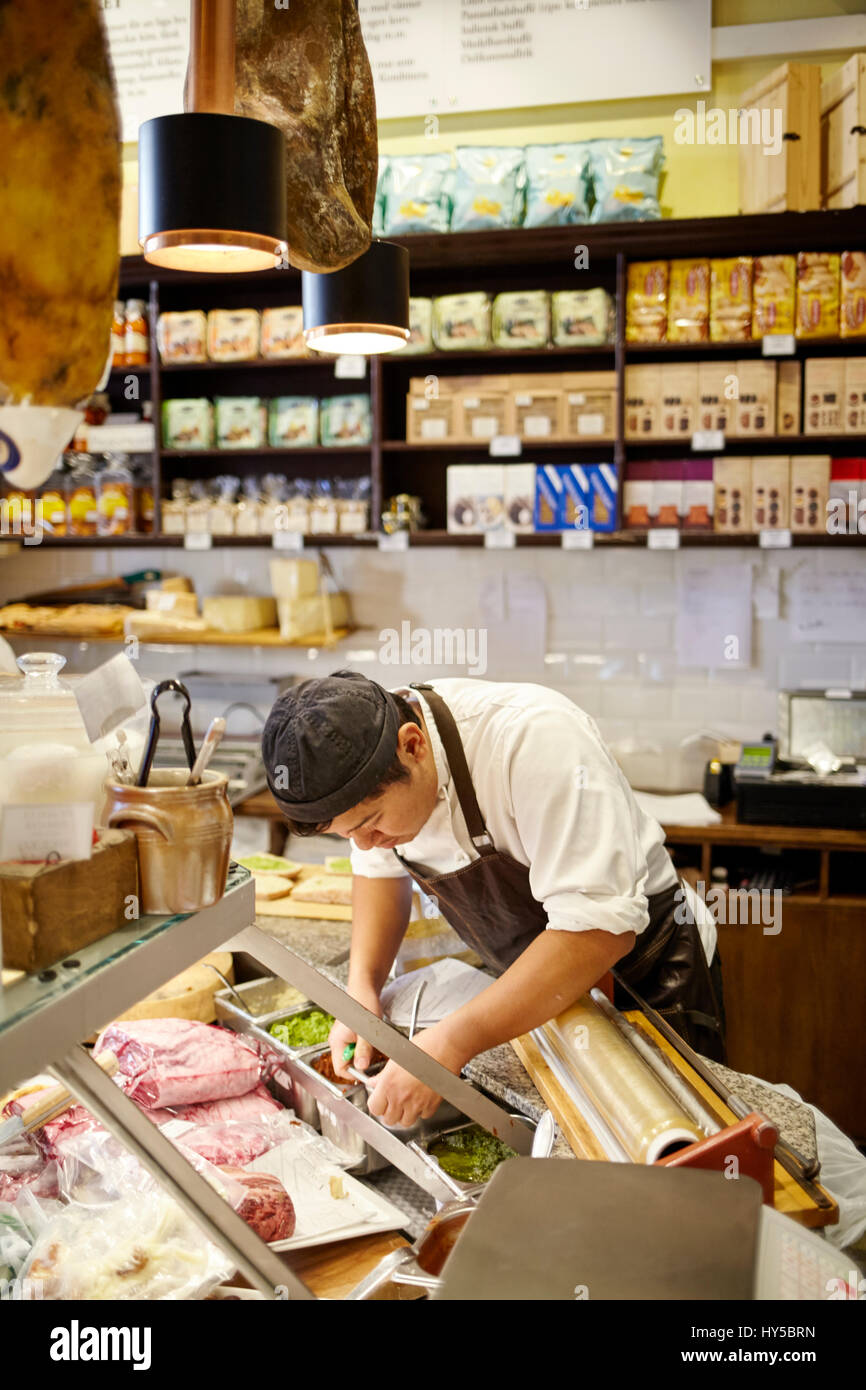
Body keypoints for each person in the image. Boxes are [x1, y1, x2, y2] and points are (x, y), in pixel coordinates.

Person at [261, 670, 725, 1129]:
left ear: (413, 745)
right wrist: (361, 992)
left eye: (372, 823)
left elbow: (598, 931)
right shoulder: (366, 768)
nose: (364, 843)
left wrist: (448, 1045)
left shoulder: (533, 740)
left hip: (649, 977)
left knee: (676, 1147)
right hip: (538, 992)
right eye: (347, 835)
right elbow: (377, 874)